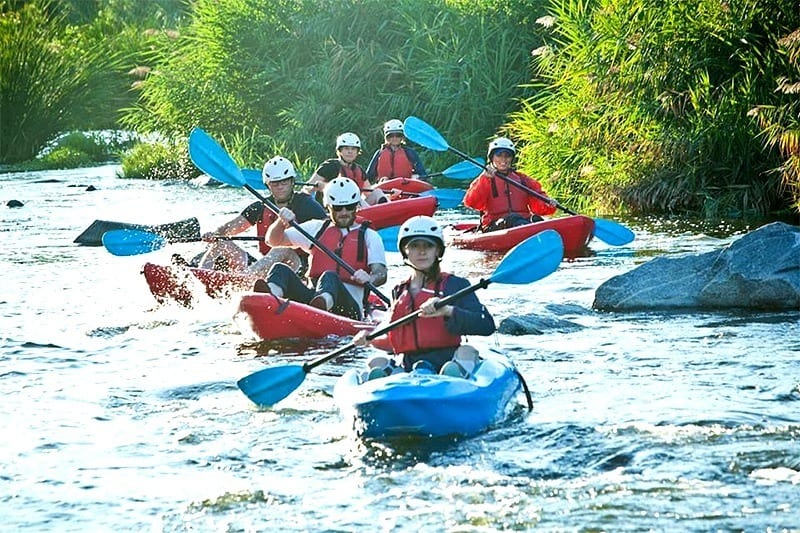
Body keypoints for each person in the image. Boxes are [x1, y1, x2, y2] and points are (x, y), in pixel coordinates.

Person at [353, 215, 495, 379]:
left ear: (437, 251)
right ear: (405, 251)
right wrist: (370, 338)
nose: (422, 251)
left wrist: (448, 311)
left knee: (467, 352)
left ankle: (457, 374)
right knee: (376, 361)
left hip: (446, 360)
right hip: (408, 365)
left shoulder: (455, 285)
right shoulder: (399, 291)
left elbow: (486, 325)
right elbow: (392, 336)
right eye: (414, 246)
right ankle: (385, 383)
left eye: (428, 246)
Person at [253, 177, 388, 320]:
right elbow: (273, 241)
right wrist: (281, 222)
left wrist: (370, 278)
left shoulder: (370, 236)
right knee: (280, 269)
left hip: (349, 308)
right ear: (328, 207)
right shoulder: (317, 228)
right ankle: (269, 299)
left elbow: (381, 273)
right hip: (314, 298)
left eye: (349, 207)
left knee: (329, 276)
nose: (344, 212)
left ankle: (321, 306)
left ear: (356, 206)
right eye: (337, 208)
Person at [197, 156, 326, 277]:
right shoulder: (260, 207)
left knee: (282, 249)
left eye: (284, 182)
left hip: (298, 269)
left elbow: (328, 232)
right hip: (264, 266)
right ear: (268, 185)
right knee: (222, 241)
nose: (280, 187)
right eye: (275, 184)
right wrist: (215, 234)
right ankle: (200, 276)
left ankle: (244, 280)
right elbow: (229, 228)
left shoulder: (307, 205)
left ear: (292, 182)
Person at [463, 137, 557, 232]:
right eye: (499, 155)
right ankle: (529, 230)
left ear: (512, 158)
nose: (503, 160)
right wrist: (485, 179)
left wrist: (550, 204)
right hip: (494, 226)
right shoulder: (484, 179)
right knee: (512, 218)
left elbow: (539, 209)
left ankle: (532, 231)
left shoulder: (523, 179)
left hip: (522, 223)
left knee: (537, 219)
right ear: (492, 157)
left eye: (507, 156)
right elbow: (471, 203)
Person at [305, 132, 386, 206]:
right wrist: (324, 187)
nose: (350, 152)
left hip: (356, 207)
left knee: (377, 192)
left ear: (357, 152)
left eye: (353, 149)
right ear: (340, 151)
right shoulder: (329, 166)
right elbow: (307, 188)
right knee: (357, 200)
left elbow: (368, 192)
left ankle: (388, 214)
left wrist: (390, 194)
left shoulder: (359, 170)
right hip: (334, 210)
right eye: (346, 148)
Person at [366, 119, 428, 183]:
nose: (394, 138)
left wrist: (417, 176)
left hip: (406, 186)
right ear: (387, 138)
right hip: (385, 187)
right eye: (391, 136)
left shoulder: (410, 153)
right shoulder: (379, 153)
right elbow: (368, 176)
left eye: (398, 135)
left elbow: (422, 174)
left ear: (402, 137)